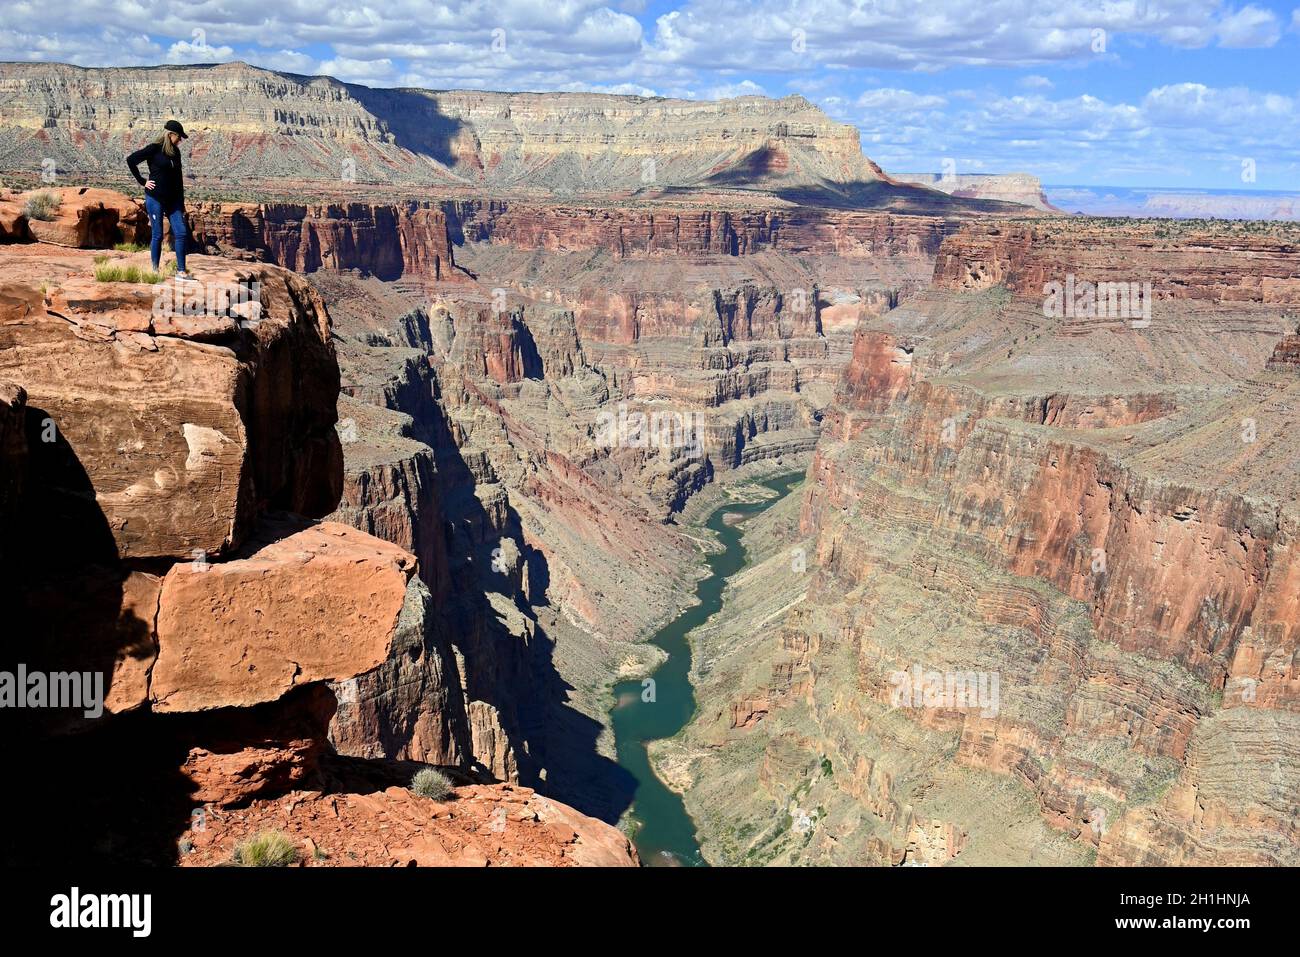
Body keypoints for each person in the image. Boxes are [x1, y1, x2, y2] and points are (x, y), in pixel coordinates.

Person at [127, 119, 195, 281]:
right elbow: (131, 160)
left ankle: (181, 272)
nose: (180, 140)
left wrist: (181, 202)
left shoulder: (176, 153)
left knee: (181, 232)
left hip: (173, 201)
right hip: (155, 198)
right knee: (157, 234)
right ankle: (155, 271)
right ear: (170, 134)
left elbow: (178, 179)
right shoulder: (154, 149)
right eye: (179, 137)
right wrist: (143, 181)